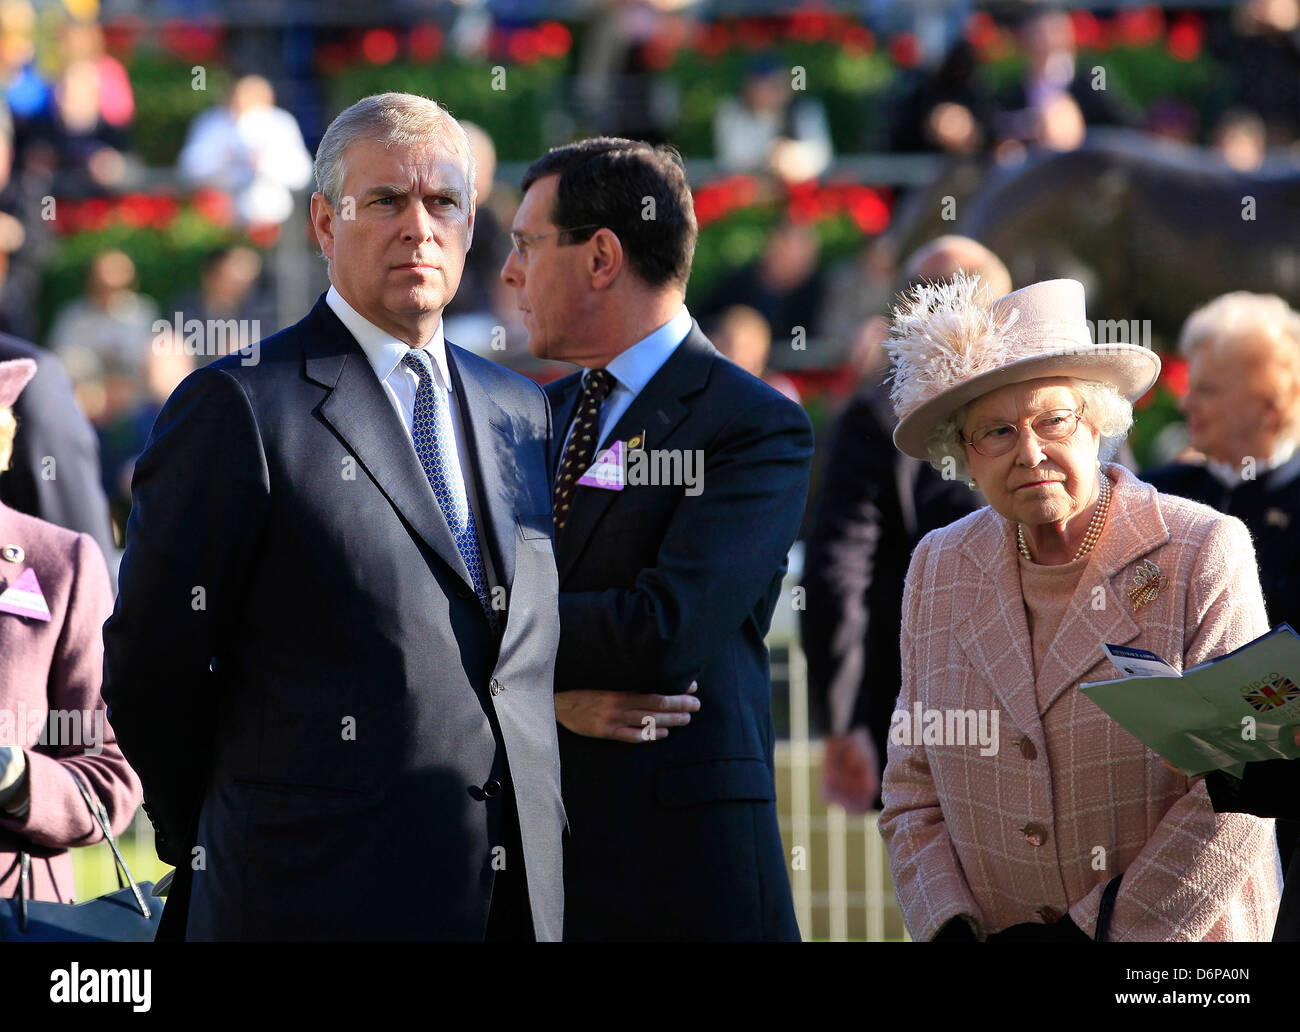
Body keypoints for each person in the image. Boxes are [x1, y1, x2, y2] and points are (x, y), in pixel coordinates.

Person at [102, 93, 566, 942]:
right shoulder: (238, 406)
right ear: (323, 222)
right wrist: (221, 833)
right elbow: (151, 667)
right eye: (384, 201)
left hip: (511, 903)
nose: (418, 227)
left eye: (443, 203)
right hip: (305, 897)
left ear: (471, 225)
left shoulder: (518, 411)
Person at [879, 274, 1280, 941]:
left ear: (1098, 421)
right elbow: (911, 792)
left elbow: (1247, 782)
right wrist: (950, 928)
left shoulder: (1203, 550)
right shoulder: (938, 567)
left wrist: (1091, 933)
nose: (1030, 453)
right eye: (997, 432)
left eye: (1053, 420)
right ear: (965, 457)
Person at [501, 137, 811, 940]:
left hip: (685, 885)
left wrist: (501, 654)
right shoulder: (534, 414)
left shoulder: (751, 424)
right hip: (538, 877)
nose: (508, 274)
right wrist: (546, 695)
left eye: (526, 246)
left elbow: (663, 629)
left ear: (601, 256)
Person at [802, 237, 1010, 812]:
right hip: (1015, 729)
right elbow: (839, 573)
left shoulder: (877, 416)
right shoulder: (1070, 408)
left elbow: (837, 575)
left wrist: (845, 721)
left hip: (938, 733)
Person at [1144, 290, 1300, 880]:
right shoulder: (1154, 497)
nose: (1188, 402)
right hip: (1172, 799)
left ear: (1268, 404)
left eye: (1209, 389)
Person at [0, 357, 141, 902]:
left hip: (19, 912)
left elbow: (111, 777)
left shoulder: (60, 565)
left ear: (6, 444)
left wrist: (16, 777)